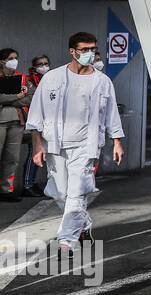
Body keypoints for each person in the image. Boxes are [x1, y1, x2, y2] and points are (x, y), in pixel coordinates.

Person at [25, 33, 125, 252]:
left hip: (87, 147)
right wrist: (37, 144)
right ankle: (83, 224)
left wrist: (117, 141)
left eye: (93, 49)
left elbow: (111, 114)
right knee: (60, 192)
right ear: (73, 51)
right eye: (85, 49)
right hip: (55, 144)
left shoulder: (102, 81)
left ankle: (66, 241)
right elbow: (36, 115)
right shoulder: (52, 78)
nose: (90, 54)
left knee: (77, 192)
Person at [0, 48, 32, 202]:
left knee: (12, 158)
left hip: (17, 121)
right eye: (11, 58)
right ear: (2, 61)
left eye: (16, 57)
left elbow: (29, 99)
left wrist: (10, 98)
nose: (15, 60)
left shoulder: (22, 77)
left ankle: (6, 190)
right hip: (1, 122)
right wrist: (17, 96)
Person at [19, 54, 49, 197]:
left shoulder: (51, 79)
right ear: (34, 66)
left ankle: (31, 182)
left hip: (47, 122)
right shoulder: (28, 81)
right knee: (34, 153)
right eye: (40, 64)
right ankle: (27, 184)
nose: (44, 66)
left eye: (46, 63)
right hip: (32, 122)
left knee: (41, 154)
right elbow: (24, 100)